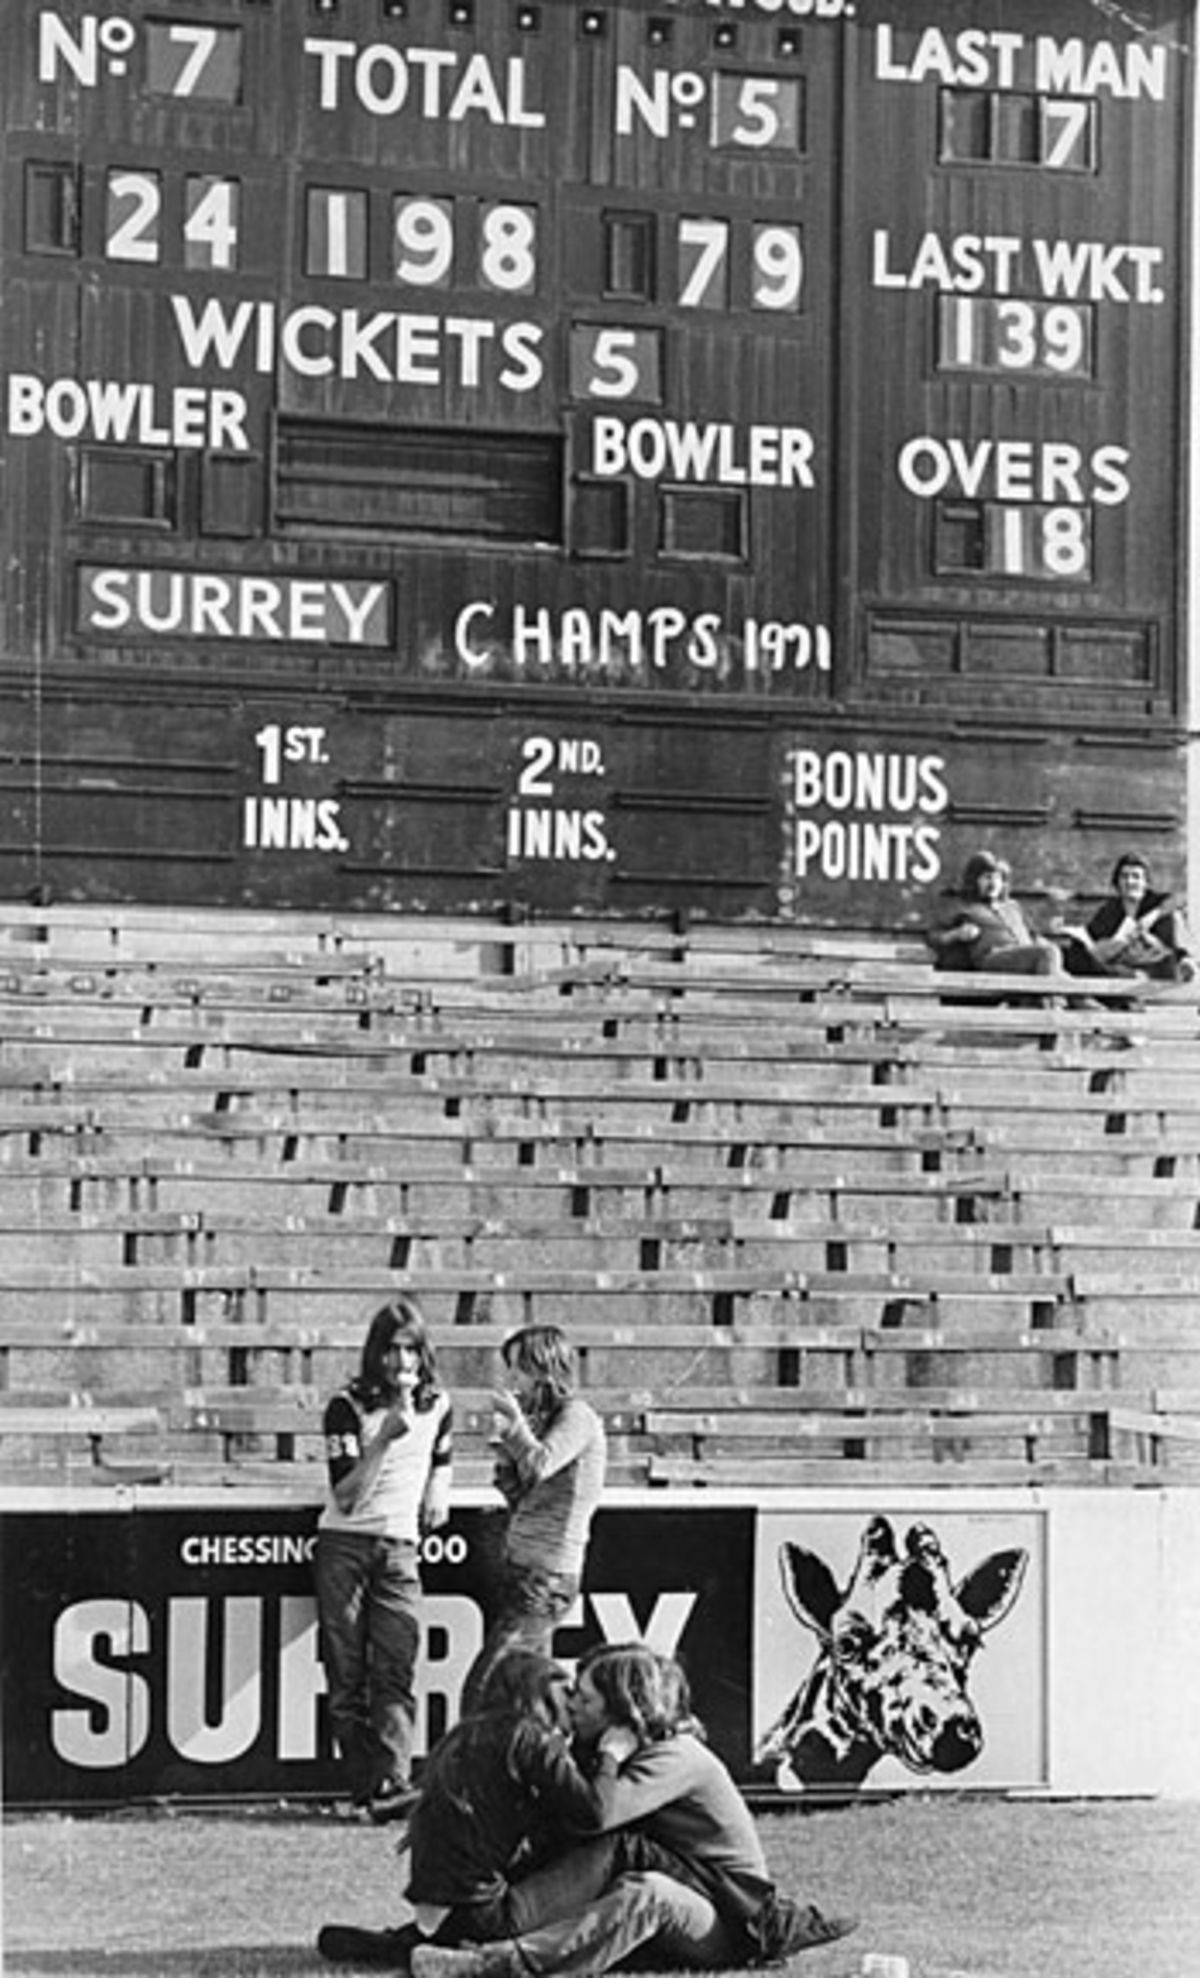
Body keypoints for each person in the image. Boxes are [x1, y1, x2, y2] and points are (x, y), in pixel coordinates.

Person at [410, 1644, 859, 1978]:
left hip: (728, 1922)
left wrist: (606, 1755)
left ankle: (500, 1964)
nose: (573, 1708)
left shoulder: (676, 1758)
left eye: (584, 1700)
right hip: (692, 1894)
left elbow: (597, 1816)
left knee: (648, 1891)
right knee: (627, 1871)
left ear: (623, 1710)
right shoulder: (635, 1752)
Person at [317, 1649, 630, 1968]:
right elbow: (593, 1813)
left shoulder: (463, 1735)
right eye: (568, 1691)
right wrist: (611, 1756)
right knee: (620, 1846)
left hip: (439, 1911)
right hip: (480, 1914)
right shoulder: (530, 1737)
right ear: (537, 1689)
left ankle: (405, 1945)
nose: (575, 1702)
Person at [314, 1296, 453, 1820]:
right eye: (392, 1351)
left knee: (396, 1666)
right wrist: (384, 1442)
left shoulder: (437, 1403)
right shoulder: (346, 1406)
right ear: (376, 1354)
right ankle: (366, 1787)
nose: (402, 1363)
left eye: (411, 1351)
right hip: (344, 1544)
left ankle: (394, 1783)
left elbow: (442, 1452)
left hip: (400, 1547)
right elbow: (348, 1495)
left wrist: (440, 1488)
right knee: (347, 1674)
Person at [459, 1326, 606, 1715]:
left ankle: (462, 1769)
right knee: (527, 1690)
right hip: (524, 1570)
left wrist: (517, 1428)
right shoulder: (547, 1421)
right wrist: (507, 1455)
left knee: (485, 1685)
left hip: (546, 1576)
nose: (512, 1382)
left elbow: (542, 1464)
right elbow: (521, 1497)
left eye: (517, 1371)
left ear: (542, 1368)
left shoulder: (579, 1417)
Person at [926, 850, 1067, 982]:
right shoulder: (965, 907)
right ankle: (1051, 1007)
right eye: (987, 878)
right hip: (994, 960)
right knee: (1048, 954)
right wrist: (957, 934)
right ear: (974, 880)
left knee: (1072, 984)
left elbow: (1034, 937)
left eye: (997, 878)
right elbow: (934, 936)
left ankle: (1077, 1006)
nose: (993, 883)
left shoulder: (1013, 907)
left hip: (1026, 958)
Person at [1059, 852, 1196, 985]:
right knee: (1073, 952)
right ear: (1117, 882)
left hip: (1156, 966)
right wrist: (1116, 944)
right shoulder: (1110, 910)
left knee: (1174, 917)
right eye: (1124, 876)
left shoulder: (1156, 902)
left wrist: (1153, 916)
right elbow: (1095, 946)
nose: (1130, 881)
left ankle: (1185, 962)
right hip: (1121, 967)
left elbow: (1180, 899)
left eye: (1136, 877)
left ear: (1145, 882)